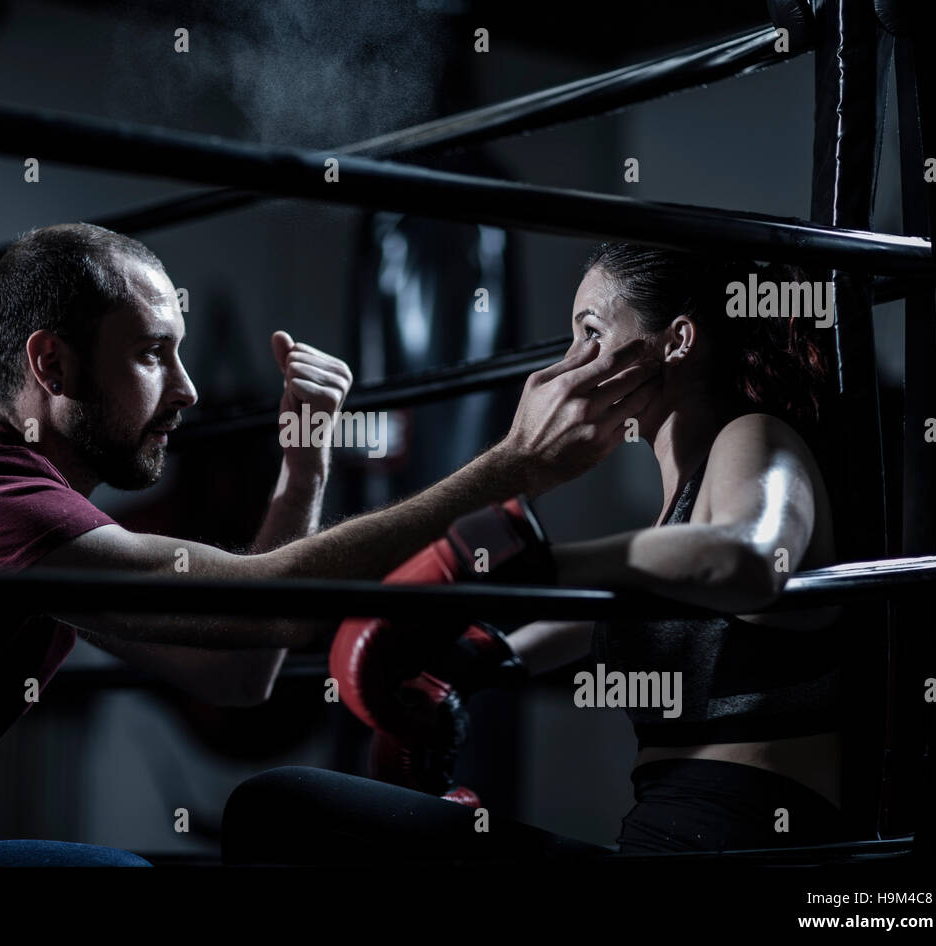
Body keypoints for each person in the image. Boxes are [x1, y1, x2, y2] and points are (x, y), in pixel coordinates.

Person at [0, 223, 659, 866]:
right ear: (51, 362)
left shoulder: (14, 497)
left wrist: (303, 469)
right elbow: (259, 599)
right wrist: (508, 468)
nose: (188, 389)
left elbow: (232, 669)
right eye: (153, 353)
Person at [222, 241, 851, 863]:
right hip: (660, 844)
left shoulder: (753, 434)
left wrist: (537, 563)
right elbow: (611, 604)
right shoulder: (676, 510)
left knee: (278, 805)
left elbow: (750, 558)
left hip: (742, 852)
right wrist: (467, 668)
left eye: (589, 332)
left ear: (677, 341)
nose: (569, 364)